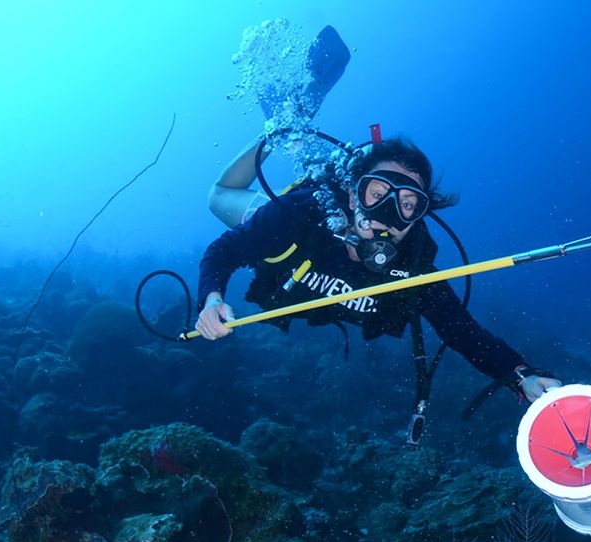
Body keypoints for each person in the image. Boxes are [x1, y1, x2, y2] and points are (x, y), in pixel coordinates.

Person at [195, 26, 561, 412]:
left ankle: (290, 123)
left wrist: (523, 376)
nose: (389, 216)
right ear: (354, 196)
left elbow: (463, 332)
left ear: (419, 214)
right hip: (298, 226)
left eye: (407, 204)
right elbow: (224, 250)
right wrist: (212, 297)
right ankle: (281, 127)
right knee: (217, 198)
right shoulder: (301, 214)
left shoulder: (415, 271)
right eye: (377, 195)